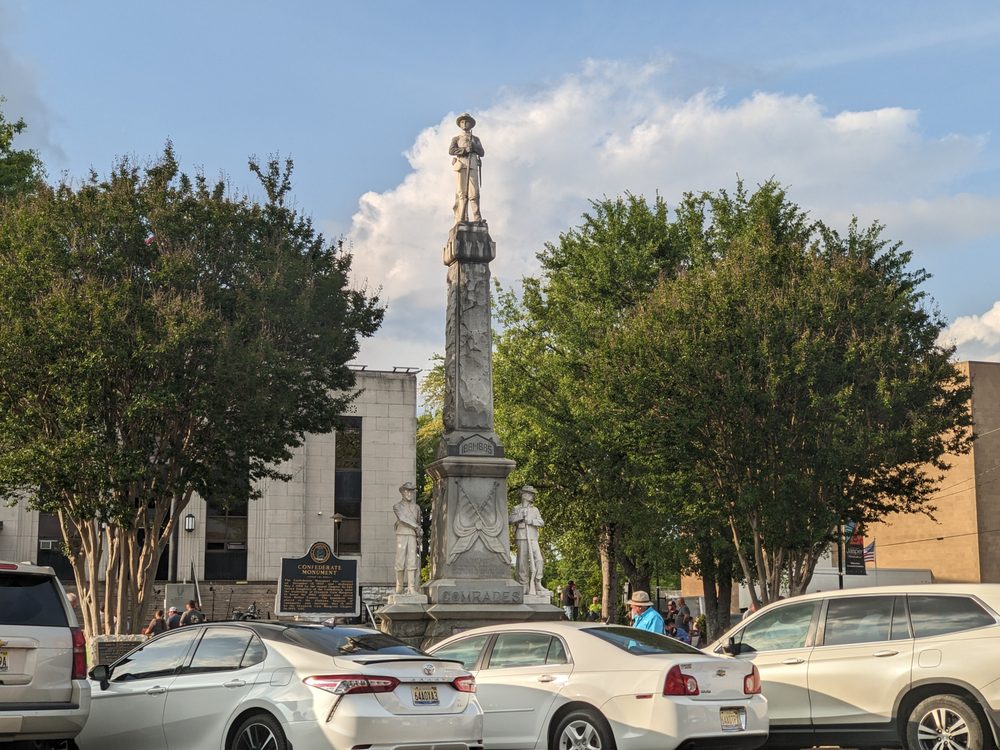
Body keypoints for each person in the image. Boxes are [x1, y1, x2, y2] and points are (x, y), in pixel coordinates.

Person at [449, 112, 485, 224]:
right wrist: (464, 150)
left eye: (467, 122)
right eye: (462, 122)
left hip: (472, 165)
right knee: (462, 194)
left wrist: (474, 147)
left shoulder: (475, 139)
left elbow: (482, 152)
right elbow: (451, 150)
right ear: (460, 124)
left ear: (471, 124)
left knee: (474, 193)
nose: (464, 124)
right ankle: (462, 217)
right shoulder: (456, 138)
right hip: (461, 166)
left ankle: (477, 218)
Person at [508, 485, 545, 595]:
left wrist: (531, 521)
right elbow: (510, 520)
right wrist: (520, 516)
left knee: (539, 559)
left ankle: (537, 582)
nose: (532, 495)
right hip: (521, 536)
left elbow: (541, 522)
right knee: (522, 561)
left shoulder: (535, 509)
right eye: (530, 493)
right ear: (524, 495)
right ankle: (523, 584)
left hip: (533, 537)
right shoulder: (516, 508)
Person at [393, 481, 423, 594]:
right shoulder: (397, 506)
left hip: (412, 535)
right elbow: (402, 518)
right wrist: (416, 527)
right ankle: (399, 587)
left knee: (412, 561)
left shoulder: (417, 508)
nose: (409, 493)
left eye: (411, 491)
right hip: (401, 533)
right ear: (402, 492)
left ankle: (411, 588)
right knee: (400, 561)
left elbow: (418, 522)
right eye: (407, 491)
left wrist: (419, 532)